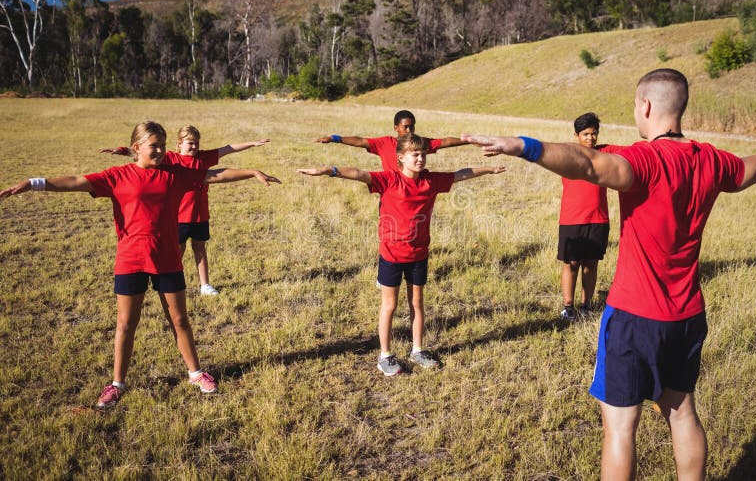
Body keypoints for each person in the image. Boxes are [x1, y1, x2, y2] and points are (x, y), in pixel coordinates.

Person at [462, 68, 756, 479]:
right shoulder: (711, 159)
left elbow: (587, 163)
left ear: (646, 105)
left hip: (634, 318)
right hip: (688, 315)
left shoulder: (647, 158)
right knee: (681, 411)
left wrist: (522, 146)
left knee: (621, 426)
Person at [1, 121, 281, 409]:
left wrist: (251, 172)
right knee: (125, 324)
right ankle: (116, 384)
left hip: (167, 259)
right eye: (154, 146)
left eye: (163, 145)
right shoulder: (117, 176)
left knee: (180, 321)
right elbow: (76, 181)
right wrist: (34, 183)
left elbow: (213, 175)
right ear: (136, 148)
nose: (160, 151)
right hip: (131, 260)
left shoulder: (175, 174)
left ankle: (196, 374)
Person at [298, 134, 505, 376]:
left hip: (419, 253)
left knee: (417, 303)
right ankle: (385, 355)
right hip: (392, 254)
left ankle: (417, 350)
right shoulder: (389, 180)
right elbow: (359, 173)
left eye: (423, 154)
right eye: (415, 155)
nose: (421, 159)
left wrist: (489, 169)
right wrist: (328, 170)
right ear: (401, 158)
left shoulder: (431, 181)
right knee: (390, 305)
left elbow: (462, 174)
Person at [102, 126, 270, 296]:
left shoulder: (203, 158)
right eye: (190, 143)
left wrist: (252, 144)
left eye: (197, 143)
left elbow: (228, 148)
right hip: (178, 217)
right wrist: (123, 150)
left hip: (200, 215)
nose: (194, 147)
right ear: (179, 144)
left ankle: (205, 285)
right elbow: (144, 153)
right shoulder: (169, 158)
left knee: (200, 248)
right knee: (176, 251)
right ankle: (166, 282)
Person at [557, 113, 623, 320]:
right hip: (571, 219)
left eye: (594, 133)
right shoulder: (568, 153)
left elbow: (633, 152)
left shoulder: (605, 152)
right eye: (585, 134)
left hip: (598, 219)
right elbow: (542, 151)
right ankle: (568, 307)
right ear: (576, 135)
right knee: (571, 263)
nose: (590, 138)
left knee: (591, 263)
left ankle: (586, 306)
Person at [314, 109, 468, 171]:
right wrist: (334, 138)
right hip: (390, 192)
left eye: (412, 127)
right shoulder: (385, 143)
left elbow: (445, 142)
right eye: (405, 127)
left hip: (413, 192)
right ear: (396, 127)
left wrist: (470, 140)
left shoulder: (420, 142)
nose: (409, 131)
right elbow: (360, 141)